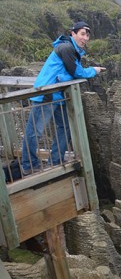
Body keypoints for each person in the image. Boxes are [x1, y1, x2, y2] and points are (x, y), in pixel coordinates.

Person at [20, 21, 105, 176]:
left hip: (57, 94)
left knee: (65, 126)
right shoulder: (66, 48)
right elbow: (77, 72)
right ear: (73, 33)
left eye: (87, 35)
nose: (85, 38)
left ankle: (56, 160)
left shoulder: (71, 49)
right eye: (82, 34)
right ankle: (28, 165)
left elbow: (68, 73)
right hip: (46, 93)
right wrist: (94, 70)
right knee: (35, 131)